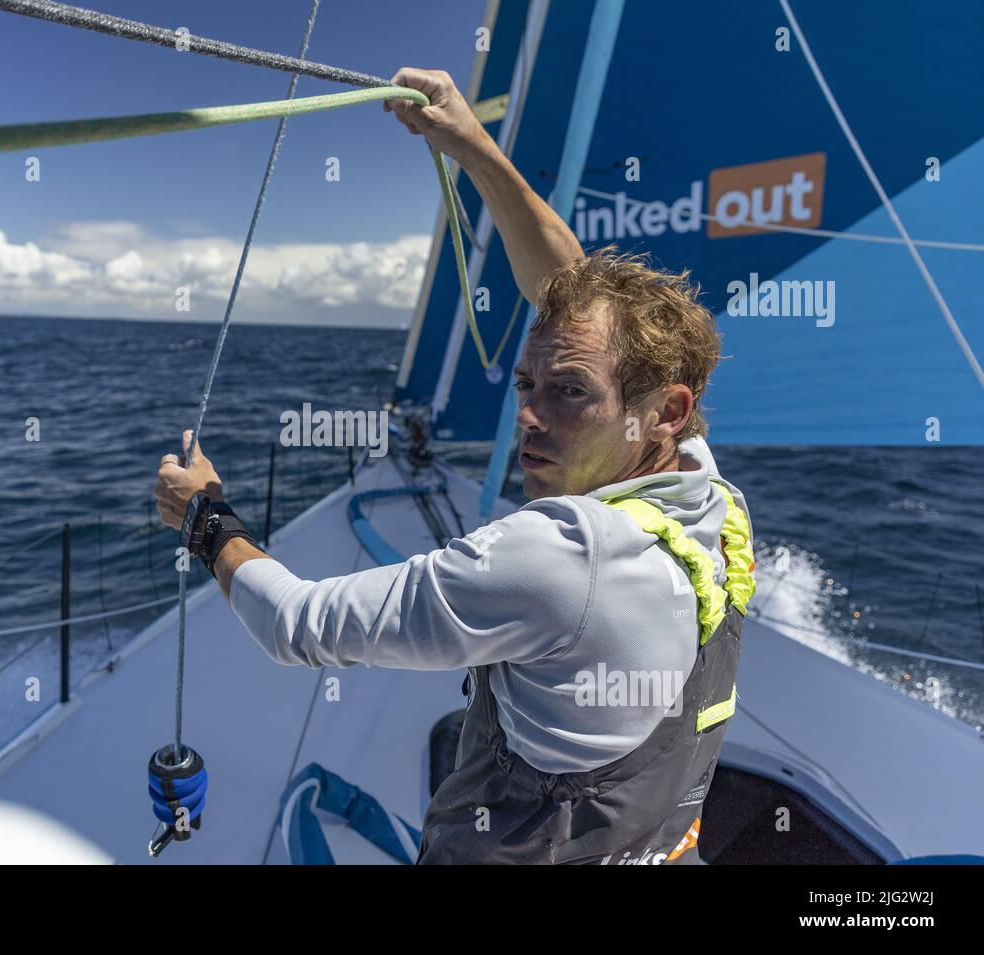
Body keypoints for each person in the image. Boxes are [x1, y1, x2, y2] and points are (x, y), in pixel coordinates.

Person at [153, 68, 754, 864]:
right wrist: (471, 146)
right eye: (528, 384)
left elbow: (299, 625)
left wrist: (207, 518)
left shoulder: (560, 560)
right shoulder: (707, 492)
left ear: (665, 409)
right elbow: (569, 301)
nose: (530, 417)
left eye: (570, 392)